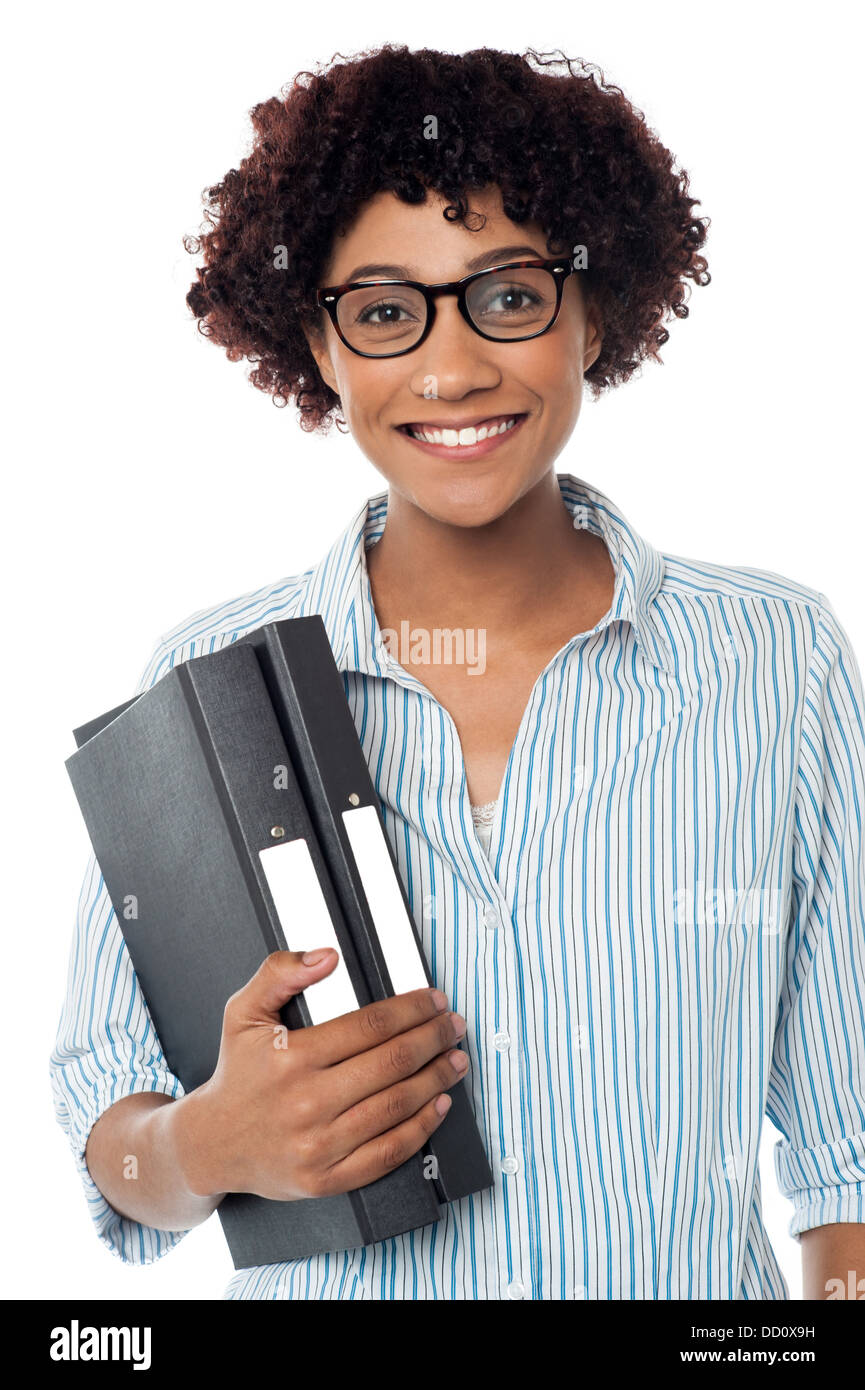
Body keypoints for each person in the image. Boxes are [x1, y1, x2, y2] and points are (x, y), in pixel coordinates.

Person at [50, 44, 865, 1301]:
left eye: (509, 296)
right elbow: (116, 1144)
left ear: (595, 311)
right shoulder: (209, 688)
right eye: (384, 311)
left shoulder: (780, 662)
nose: (451, 367)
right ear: (319, 349)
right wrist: (204, 1143)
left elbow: (848, 1158)